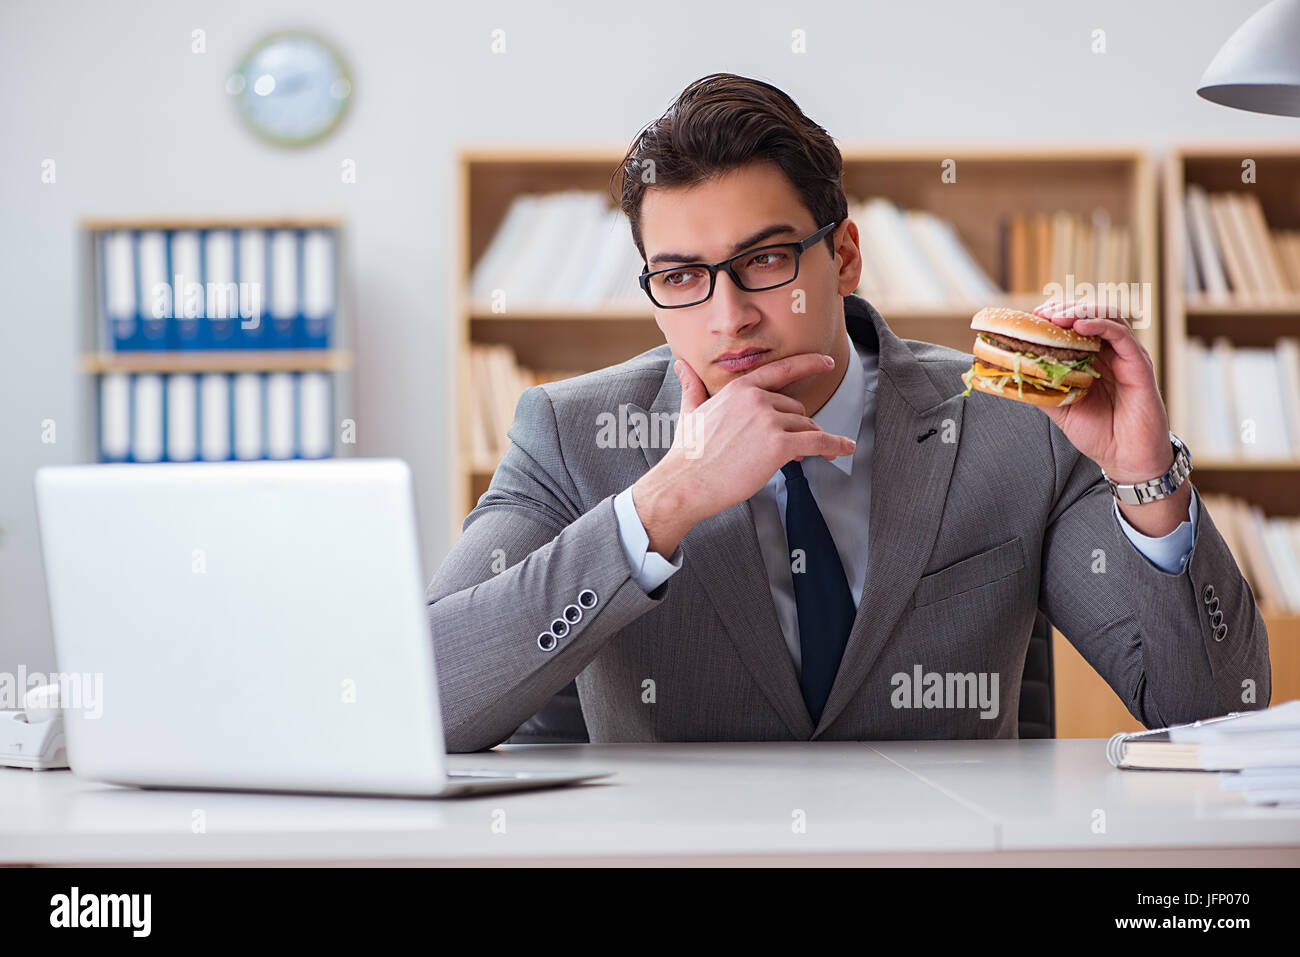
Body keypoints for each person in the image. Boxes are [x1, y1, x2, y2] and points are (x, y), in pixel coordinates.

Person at [427, 73, 1269, 753]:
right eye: (681, 277)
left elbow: (1213, 709)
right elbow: (428, 701)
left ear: (846, 256)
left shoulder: (1018, 426)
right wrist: (664, 504)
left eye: (764, 259)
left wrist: (1145, 481)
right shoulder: (570, 435)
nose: (728, 318)